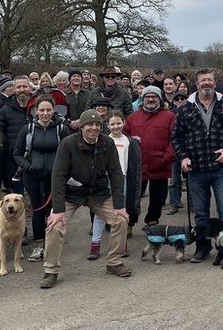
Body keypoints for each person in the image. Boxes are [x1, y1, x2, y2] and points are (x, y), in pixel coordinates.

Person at [39, 110, 131, 288]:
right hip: (72, 194)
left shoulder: (108, 142)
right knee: (54, 225)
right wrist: (57, 210)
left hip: (98, 193)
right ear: (81, 127)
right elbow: (57, 176)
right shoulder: (67, 144)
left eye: (97, 125)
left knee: (121, 219)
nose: (94, 128)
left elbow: (116, 174)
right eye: (89, 124)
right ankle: (51, 271)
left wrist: (119, 206)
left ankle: (114, 262)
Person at [171, 68, 223, 262]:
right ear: (197, 84)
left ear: (214, 82)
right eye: (203, 80)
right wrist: (183, 157)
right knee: (201, 214)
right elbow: (176, 137)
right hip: (196, 170)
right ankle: (203, 248)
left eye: (209, 80)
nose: (206, 83)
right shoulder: (185, 108)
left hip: (221, 170)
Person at [14, 95, 70, 262]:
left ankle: (52, 244)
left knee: (53, 211)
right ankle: (38, 245)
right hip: (33, 177)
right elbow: (17, 153)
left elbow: (69, 152)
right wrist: (28, 166)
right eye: (42, 110)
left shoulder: (62, 129)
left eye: (48, 110)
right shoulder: (28, 129)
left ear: (54, 110)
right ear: (35, 111)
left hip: (55, 178)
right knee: (38, 210)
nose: (45, 113)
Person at [89, 111, 142, 259]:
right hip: (105, 181)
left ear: (124, 123)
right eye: (112, 124)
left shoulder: (130, 142)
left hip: (123, 180)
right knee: (100, 213)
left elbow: (135, 165)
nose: (116, 126)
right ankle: (95, 244)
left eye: (118, 123)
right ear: (107, 125)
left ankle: (121, 243)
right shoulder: (102, 141)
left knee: (120, 213)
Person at [123, 86, 175, 228]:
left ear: (159, 99)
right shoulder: (133, 117)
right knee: (133, 196)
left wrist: (166, 158)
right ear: (143, 99)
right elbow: (124, 137)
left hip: (160, 164)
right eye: (147, 97)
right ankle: (129, 222)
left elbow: (174, 139)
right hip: (137, 165)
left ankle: (152, 221)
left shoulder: (169, 116)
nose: (151, 99)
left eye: (154, 96)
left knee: (158, 197)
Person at [0, 76, 33, 196]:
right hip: (14, 159)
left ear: (30, 88)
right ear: (14, 89)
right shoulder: (5, 110)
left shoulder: (38, 108)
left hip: (36, 157)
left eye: (25, 86)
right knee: (17, 194)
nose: (22, 89)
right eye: (19, 87)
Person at [165, 92, 188, 215]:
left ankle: (193, 204)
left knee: (190, 179)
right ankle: (174, 202)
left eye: (182, 98)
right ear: (173, 102)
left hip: (189, 151)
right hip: (174, 151)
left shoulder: (191, 111)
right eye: (177, 99)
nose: (180, 101)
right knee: (174, 180)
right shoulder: (169, 115)